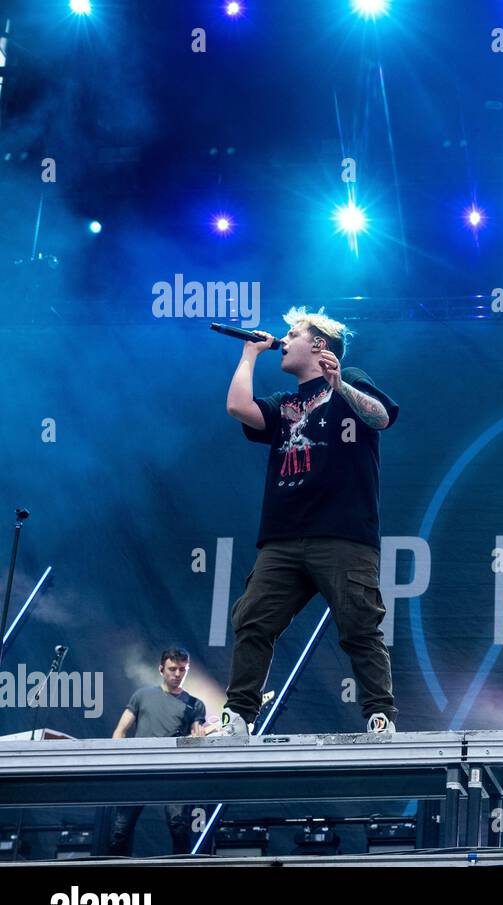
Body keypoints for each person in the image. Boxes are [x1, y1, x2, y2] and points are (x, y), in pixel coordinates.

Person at [214, 307, 400, 736]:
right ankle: (239, 716)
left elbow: (381, 417)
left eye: (292, 334)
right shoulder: (285, 404)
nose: (284, 339)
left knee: (359, 624)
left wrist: (340, 386)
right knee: (253, 619)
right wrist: (249, 354)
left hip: (343, 533)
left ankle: (379, 716)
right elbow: (237, 406)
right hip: (283, 536)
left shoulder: (351, 377)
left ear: (319, 345)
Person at [107, 647, 207, 855]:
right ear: (161, 669)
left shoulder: (195, 704)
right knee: (120, 830)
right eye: (172, 669)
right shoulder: (142, 696)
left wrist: (201, 737)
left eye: (182, 669)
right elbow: (120, 731)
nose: (178, 674)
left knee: (179, 826)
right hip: (138, 770)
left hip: (174, 772)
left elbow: (197, 740)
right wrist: (119, 762)